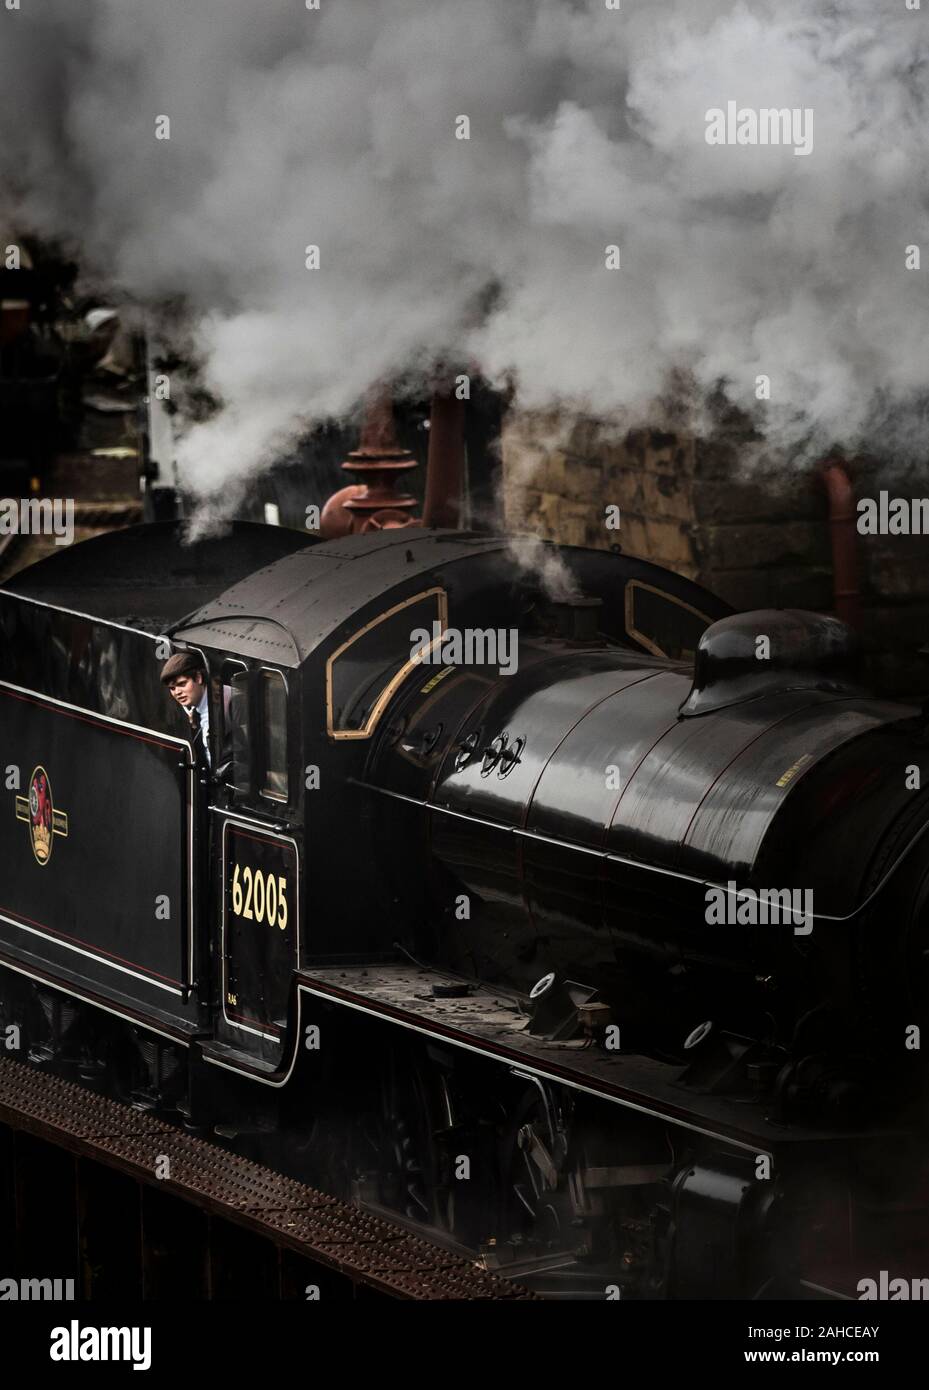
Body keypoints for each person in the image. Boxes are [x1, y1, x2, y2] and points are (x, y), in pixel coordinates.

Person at [160, 651, 212, 769]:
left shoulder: (216, 710)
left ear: (198, 678)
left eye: (182, 684)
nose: (177, 692)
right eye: (172, 688)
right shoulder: (195, 707)